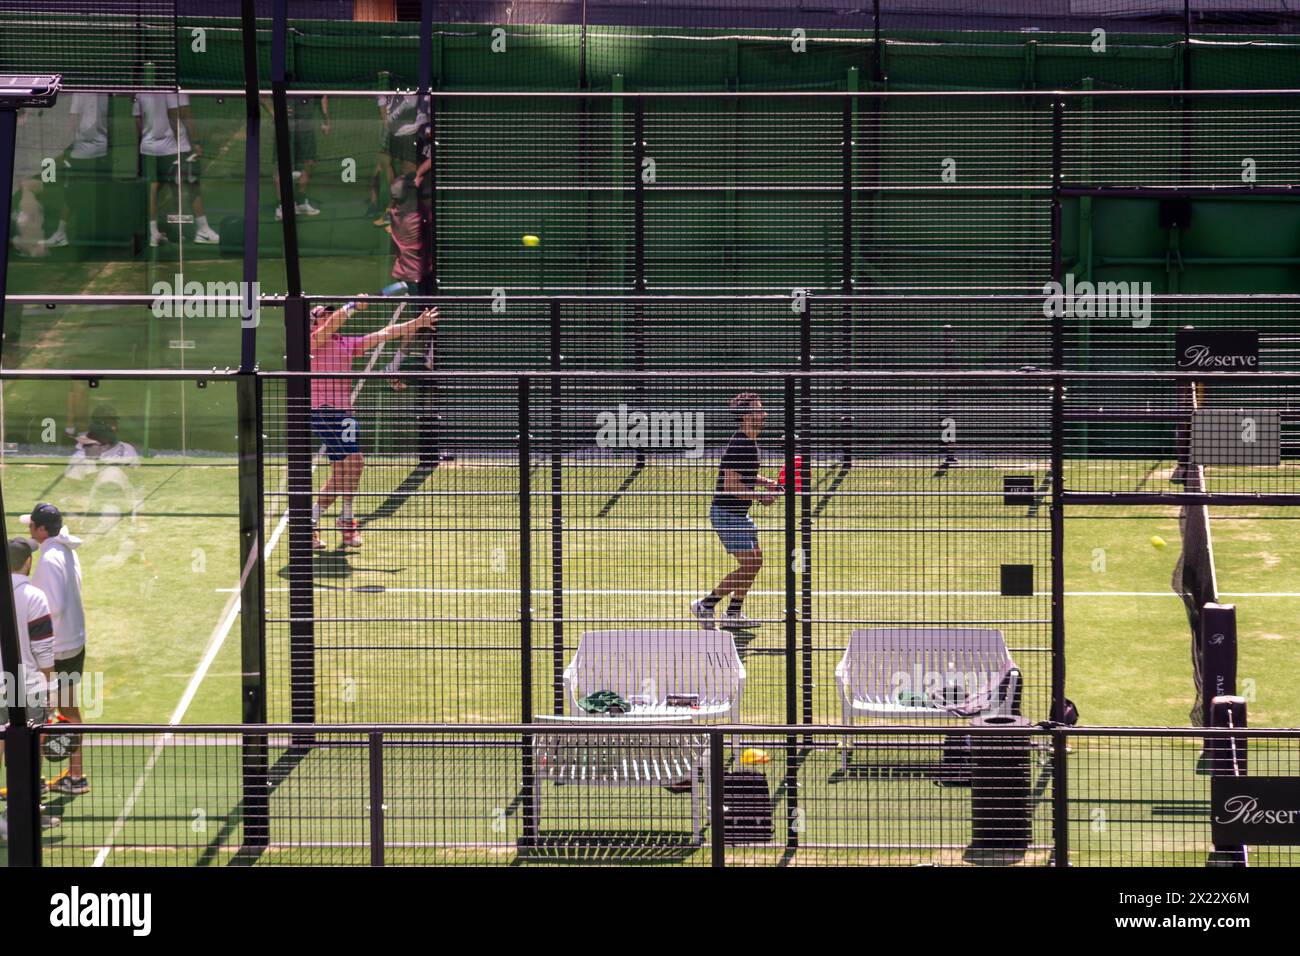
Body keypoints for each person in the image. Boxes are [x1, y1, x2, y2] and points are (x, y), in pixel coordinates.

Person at [310, 298, 439, 550]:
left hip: (345, 415)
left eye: (328, 314)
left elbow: (385, 333)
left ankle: (322, 521)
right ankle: (339, 520)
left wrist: (417, 323)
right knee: (355, 461)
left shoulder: (346, 343)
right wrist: (352, 306)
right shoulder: (312, 341)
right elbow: (330, 326)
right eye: (322, 315)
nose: (327, 317)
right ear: (313, 323)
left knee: (345, 471)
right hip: (322, 413)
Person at [692, 393, 779, 631]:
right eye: (758, 410)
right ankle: (706, 605)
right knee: (750, 564)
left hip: (738, 514)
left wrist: (767, 483)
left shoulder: (749, 443)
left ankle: (733, 613)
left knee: (755, 561)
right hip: (727, 514)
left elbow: (745, 477)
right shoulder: (741, 444)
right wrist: (761, 496)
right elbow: (731, 486)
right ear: (745, 416)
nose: (764, 414)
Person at [21, 504, 89, 796]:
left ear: (40, 529)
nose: (28, 530)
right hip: (74, 644)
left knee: (37, 712)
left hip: (57, 650)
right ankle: (75, 776)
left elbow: (53, 606)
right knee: (69, 710)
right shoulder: (66, 550)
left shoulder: (48, 558)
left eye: (31, 525)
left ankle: (33, 782)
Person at [0, 538, 59, 832]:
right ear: (26, 562)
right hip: (28, 688)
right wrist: (49, 689)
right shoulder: (35, 597)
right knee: (28, 753)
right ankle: (22, 816)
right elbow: (44, 651)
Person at [133, 92, 221, 247]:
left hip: (148, 147)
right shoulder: (174, 89)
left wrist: (146, 139)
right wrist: (194, 142)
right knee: (190, 184)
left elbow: (138, 120)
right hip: (175, 146)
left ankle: (156, 232)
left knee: (155, 187)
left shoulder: (140, 92)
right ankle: (201, 230)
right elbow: (181, 115)